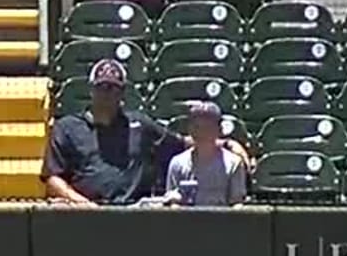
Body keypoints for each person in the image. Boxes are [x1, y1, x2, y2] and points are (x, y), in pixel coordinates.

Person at [42, 58, 251, 205]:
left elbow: (181, 143)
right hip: (85, 213)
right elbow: (52, 178)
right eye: (102, 87)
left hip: (134, 213)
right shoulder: (68, 127)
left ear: (123, 92)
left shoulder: (140, 125)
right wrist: (81, 203)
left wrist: (226, 143)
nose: (107, 93)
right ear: (92, 89)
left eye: (114, 88)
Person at [163, 102, 248, 207]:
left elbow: (236, 202)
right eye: (197, 127)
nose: (201, 133)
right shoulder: (178, 163)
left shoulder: (233, 163)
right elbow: (173, 202)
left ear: (219, 130)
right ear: (190, 130)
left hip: (222, 220)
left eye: (207, 127)